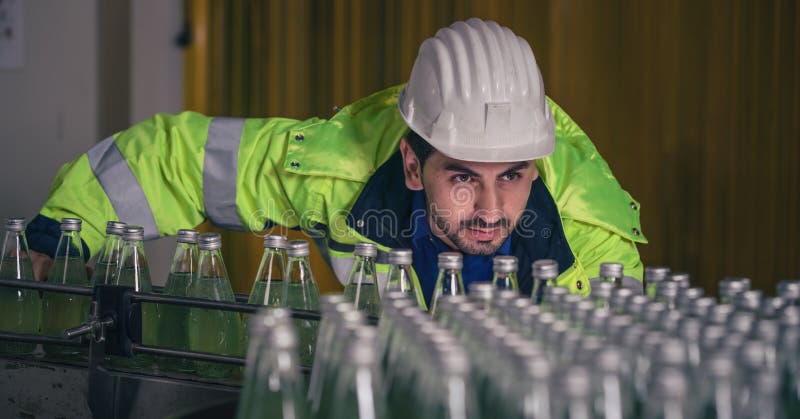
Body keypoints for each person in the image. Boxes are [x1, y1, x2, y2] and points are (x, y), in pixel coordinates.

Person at [25, 18, 646, 307]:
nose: (489, 209)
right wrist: (64, 233)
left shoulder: (598, 251)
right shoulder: (336, 173)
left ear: (534, 164)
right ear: (411, 164)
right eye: (462, 176)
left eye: (511, 175)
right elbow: (176, 159)